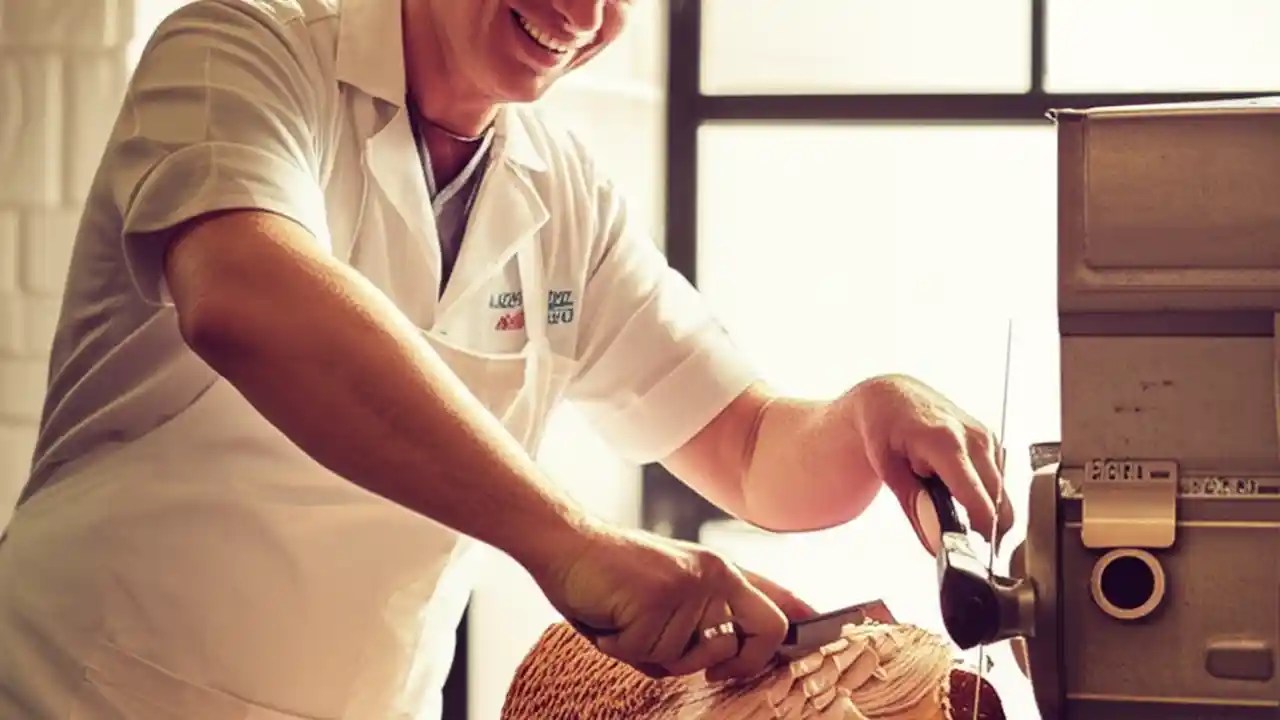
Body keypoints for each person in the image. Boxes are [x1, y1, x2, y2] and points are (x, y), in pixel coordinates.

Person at [0, 0, 1013, 718]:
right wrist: (576, 548)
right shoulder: (243, 46)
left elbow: (744, 443)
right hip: (92, 690)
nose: (584, 10)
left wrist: (867, 418)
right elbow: (243, 293)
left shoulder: (561, 190)